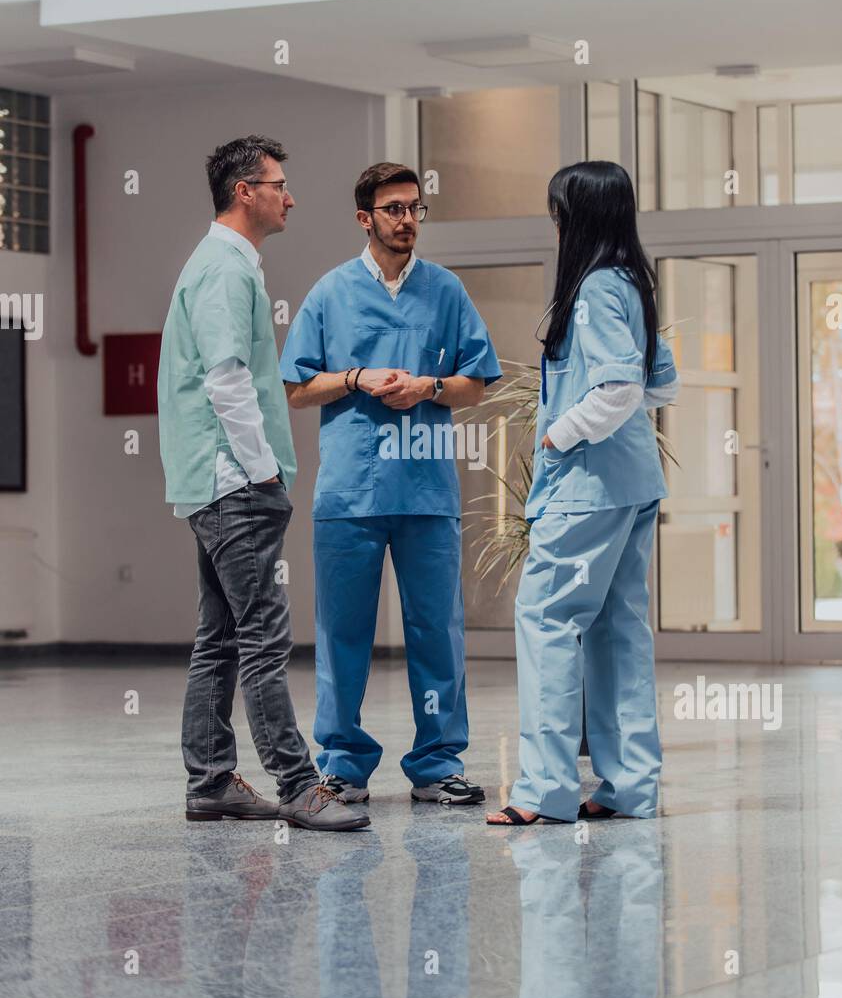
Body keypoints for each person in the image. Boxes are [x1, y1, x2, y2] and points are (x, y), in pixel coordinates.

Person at [157, 135, 369, 831]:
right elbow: (225, 379)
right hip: (233, 483)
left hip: (213, 481)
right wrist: (262, 470)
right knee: (261, 637)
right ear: (244, 191)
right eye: (278, 183)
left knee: (219, 637)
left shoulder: (222, 263)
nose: (291, 195)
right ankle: (299, 785)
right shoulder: (224, 268)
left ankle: (210, 781)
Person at [279, 162, 501, 805]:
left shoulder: (447, 292)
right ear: (365, 218)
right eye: (394, 209)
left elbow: (476, 382)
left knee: (436, 629)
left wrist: (428, 387)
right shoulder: (329, 294)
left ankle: (437, 764)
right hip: (350, 493)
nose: (407, 220)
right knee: (344, 633)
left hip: (427, 491)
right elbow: (297, 387)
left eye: (414, 208)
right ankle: (343, 763)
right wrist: (356, 378)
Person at [487, 160, 679, 827]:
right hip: (631, 482)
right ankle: (629, 787)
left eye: (558, 210)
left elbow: (621, 389)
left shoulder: (595, 289)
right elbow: (661, 385)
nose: (554, 222)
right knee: (617, 633)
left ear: (578, 217)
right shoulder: (631, 282)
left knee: (545, 623)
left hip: (585, 488)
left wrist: (556, 437)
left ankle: (542, 792)